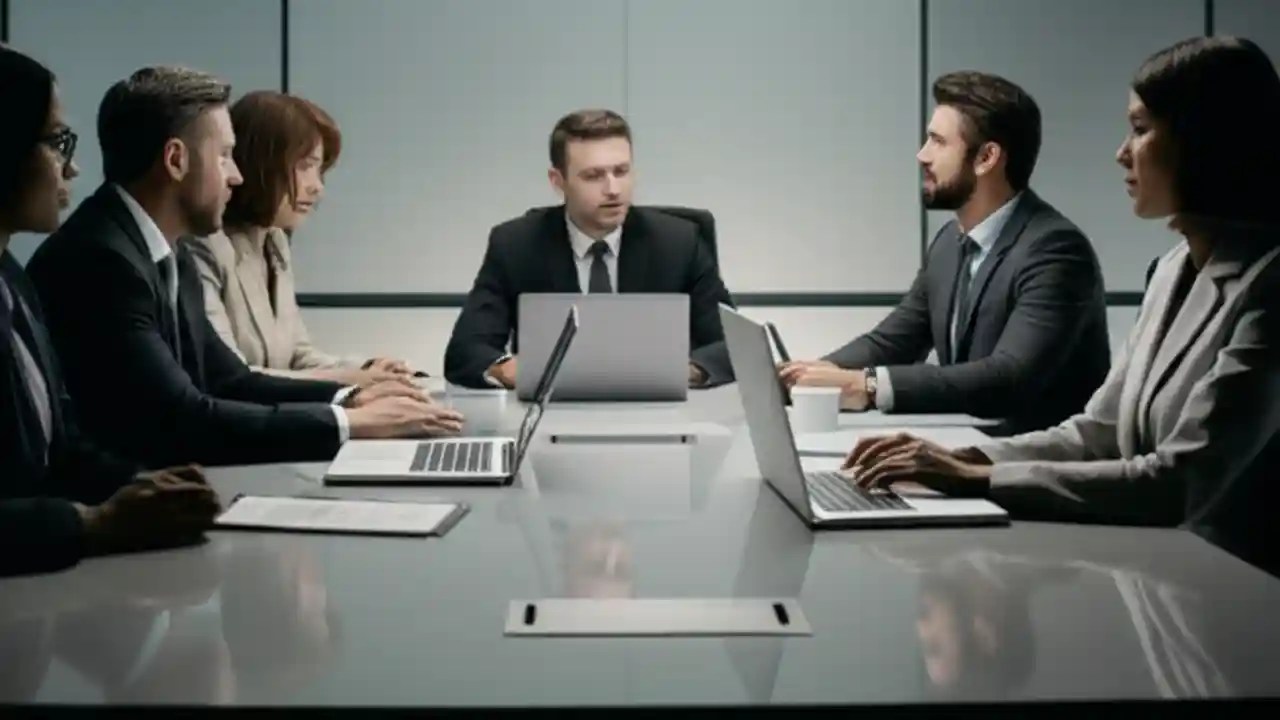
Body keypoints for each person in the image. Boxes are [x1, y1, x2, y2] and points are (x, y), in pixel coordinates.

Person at [844, 37, 1280, 578]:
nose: (1122, 153)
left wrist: (976, 479)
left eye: (1141, 130)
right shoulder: (1170, 268)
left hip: (1239, 600)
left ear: (1205, 141)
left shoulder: (1270, 284)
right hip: (1156, 576)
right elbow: (1097, 432)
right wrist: (965, 459)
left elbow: (1182, 482)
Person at [25, 66, 462, 468]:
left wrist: (352, 397)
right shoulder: (102, 261)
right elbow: (183, 419)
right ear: (176, 160)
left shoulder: (164, 248)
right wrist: (352, 424)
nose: (237, 175)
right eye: (225, 156)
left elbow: (228, 379)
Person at [780, 72, 1110, 436]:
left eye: (938, 141)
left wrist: (868, 387)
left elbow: (1009, 377)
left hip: (1032, 477)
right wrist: (808, 375)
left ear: (986, 157)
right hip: (966, 458)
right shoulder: (949, 243)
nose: (922, 155)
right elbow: (894, 341)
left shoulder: (1056, 251)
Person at [0, 45, 220, 577]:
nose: (73, 166)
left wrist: (141, 486)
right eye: (56, 142)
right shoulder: (94, 256)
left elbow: (63, 446)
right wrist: (93, 525)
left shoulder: (14, 279)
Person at [444, 109, 736, 389]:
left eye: (621, 171)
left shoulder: (679, 243)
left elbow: (732, 347)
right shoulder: (516, 245)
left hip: (661, 413)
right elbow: (465, 351)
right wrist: (507, 369)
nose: (613, 189)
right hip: (555, 414)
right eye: (594, 176)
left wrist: (679, 371)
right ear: (558, 181)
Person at [187, 90, 416, 387]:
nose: (317, 187)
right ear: (262, 163)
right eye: (306, 166)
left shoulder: (275, 242)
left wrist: (371, 368)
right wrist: (356, 380)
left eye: (320, 170)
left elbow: (297, 356)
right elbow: (231, 377)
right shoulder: (203, 247)